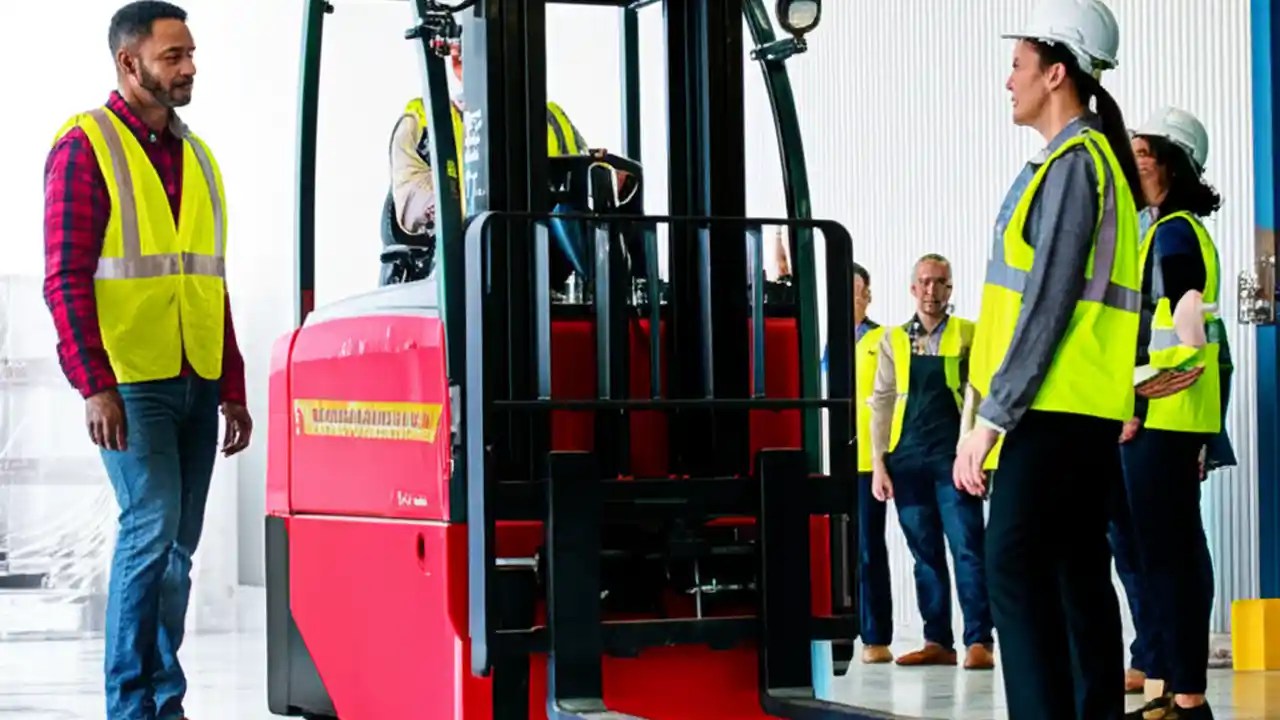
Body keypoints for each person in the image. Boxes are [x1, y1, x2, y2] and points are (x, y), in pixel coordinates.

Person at [951, 1, 1191, 716]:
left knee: (1013, 566)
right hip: (1079, 410)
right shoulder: (1099, 165)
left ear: (1056, 73)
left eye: (1018, 66)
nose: (1008, 81)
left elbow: (1047, 304)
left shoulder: (1074, 166)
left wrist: (992, 418)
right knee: (1074, 572)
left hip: (1049, 409)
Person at [41, 3, 252, 718]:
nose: (190, 67)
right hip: (132, 383)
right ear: (129, 64)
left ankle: (164, 703)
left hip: (198, 378)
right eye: (173, 56)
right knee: (151, 530)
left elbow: (209, 280)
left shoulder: (198, 156)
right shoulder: (85, 147)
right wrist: (93, 385)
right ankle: (131, 706)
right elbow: (64, 278)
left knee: (177, 552)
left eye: (191, 53)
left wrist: (232, 384)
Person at [1116, 106, 1226, 720]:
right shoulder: (1164, 229)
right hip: (1174, 417)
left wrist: (1135, 399)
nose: (1133, 163)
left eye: (1143, 154)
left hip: (1161, 415)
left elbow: (1182, 304)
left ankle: (1186, 697)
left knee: (1167, 558)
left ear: (1172, 166)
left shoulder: (1174, 233)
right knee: (1171, 554)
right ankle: (1174, 690)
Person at [869, 254, 995, 671]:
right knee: (924, 555)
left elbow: (980, 395)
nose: (931, 290)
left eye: (940, 282)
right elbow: (882, 402)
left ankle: (979, 640)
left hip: (953, 460)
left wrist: (978, 455)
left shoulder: (968, 335)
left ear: (950, 288)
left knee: (967, 548)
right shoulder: (893, 340)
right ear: (912, 288)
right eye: (924, 281)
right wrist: (879, 462)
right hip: (906, 460)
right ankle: (937, 640)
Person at [383, 39, 589, 287]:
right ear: (457, 60)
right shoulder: (424, 123)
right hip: (459, 275)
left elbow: (583, 184)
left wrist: (612, 181)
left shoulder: (552, 119)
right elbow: (416, 205)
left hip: (540, 270)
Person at [847, 262, 892, 663]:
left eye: (854, 290)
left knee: (867, 547)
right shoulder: (822, 340)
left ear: (867, 295)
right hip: (828, 460)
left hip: (866, 462)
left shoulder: (883, 340)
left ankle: (875, 636)